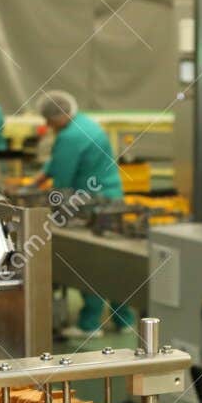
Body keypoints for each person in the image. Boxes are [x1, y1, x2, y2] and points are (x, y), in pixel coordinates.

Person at [36, 90, 133, 333]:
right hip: (112, 198)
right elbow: (59, 162)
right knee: (113, 262)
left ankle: (89, 324)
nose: (48, 126)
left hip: (89, 204)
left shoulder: (69, 137)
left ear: (57, 118)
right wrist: (41, 176)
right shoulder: (85, 124)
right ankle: (124, 320)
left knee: (89, 262)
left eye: (49, 121)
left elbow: (63, 179)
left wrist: (47, 204)